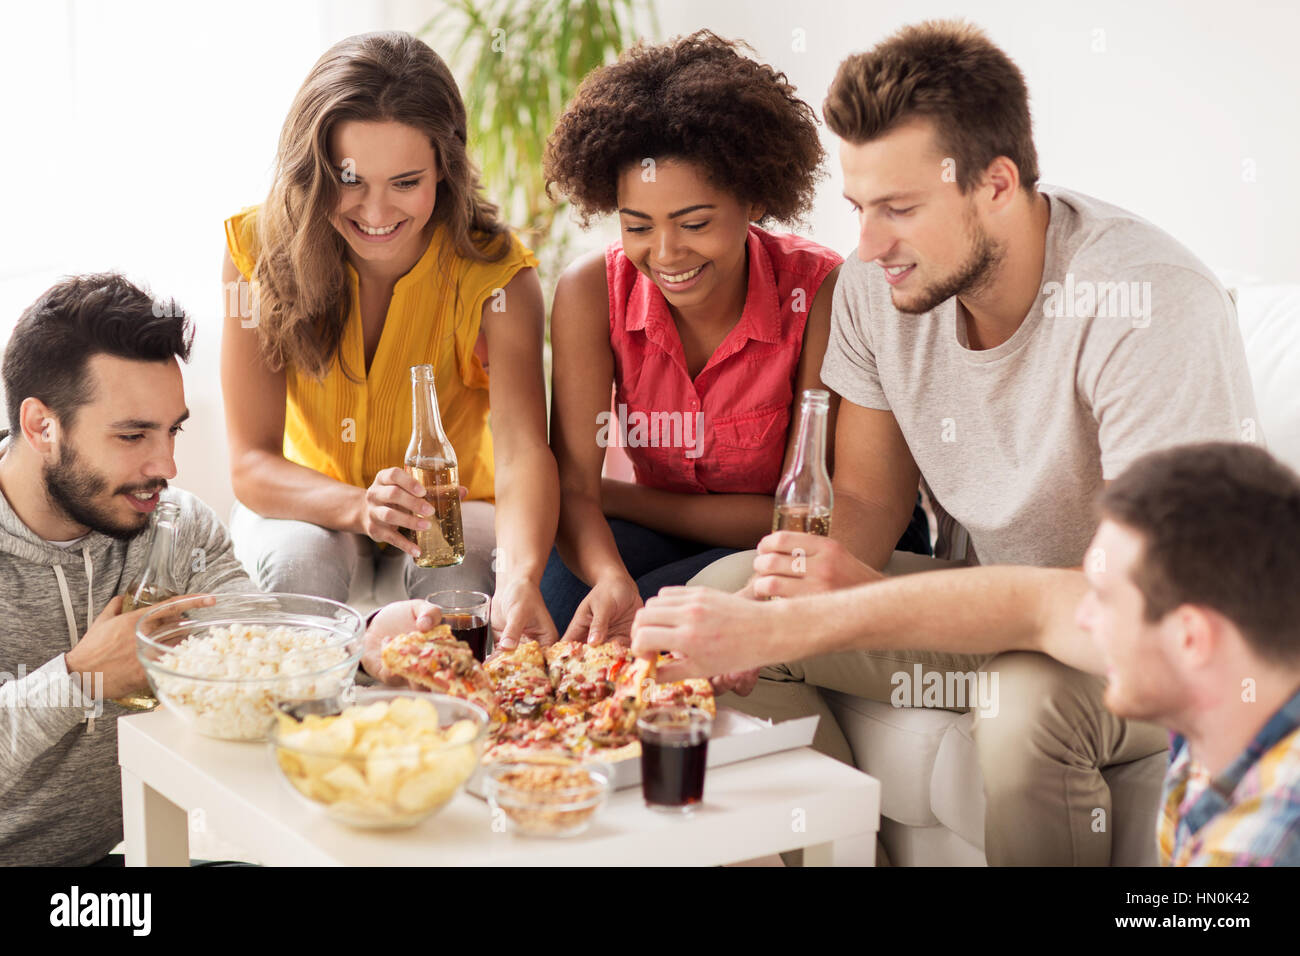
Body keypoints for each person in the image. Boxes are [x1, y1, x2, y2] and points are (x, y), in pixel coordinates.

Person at [686, 20, 1259, 865]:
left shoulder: (1145, 301)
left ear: (997, 185)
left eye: (901, 209)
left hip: (1146, 634)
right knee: (728, 601)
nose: (869, 245)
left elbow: (1127, 604)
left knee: (1021, 707)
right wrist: (815, 586)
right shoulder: (876, 291)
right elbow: (872, 499)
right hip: (997, 604)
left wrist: (854, 608)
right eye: (860, 209)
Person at [635, 442, 1300, 866]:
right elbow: (1039, 607)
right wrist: (780, 625)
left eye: (1102, 597)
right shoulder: (1219, 726)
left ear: (1191, 638)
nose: (1081, 614)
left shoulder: (1265, 838)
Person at [0, 274, 445, 866]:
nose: (167, 465)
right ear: (40, 427)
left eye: (172, 429)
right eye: (133, 435)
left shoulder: (176, 527)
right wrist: (78, 678)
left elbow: (264, 643)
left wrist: (361, 647)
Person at [536, 30, 930, 647]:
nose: (666, 254)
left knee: (660, 623)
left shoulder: (819, 291)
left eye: (695, 223)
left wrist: (625, 499)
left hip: (817, 536)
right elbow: (577, 493)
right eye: (637, 225)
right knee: (567, 602)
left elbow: (804, 512)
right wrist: (611, 573)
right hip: (702, 529)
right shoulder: (591, 290)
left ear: (751, 200)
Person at [221, 31, 559, 647]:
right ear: (314, 168)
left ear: (445, 171)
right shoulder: (257, 250)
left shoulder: (499, 275)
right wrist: (359, 508)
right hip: (310, 499)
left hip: (454, 504)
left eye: (406, 182)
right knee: (301, 564)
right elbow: (250, 464)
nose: (376, 213)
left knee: (463, 577)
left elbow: (521, 454)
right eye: (349, 180)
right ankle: (311, 726)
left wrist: (524, 576)